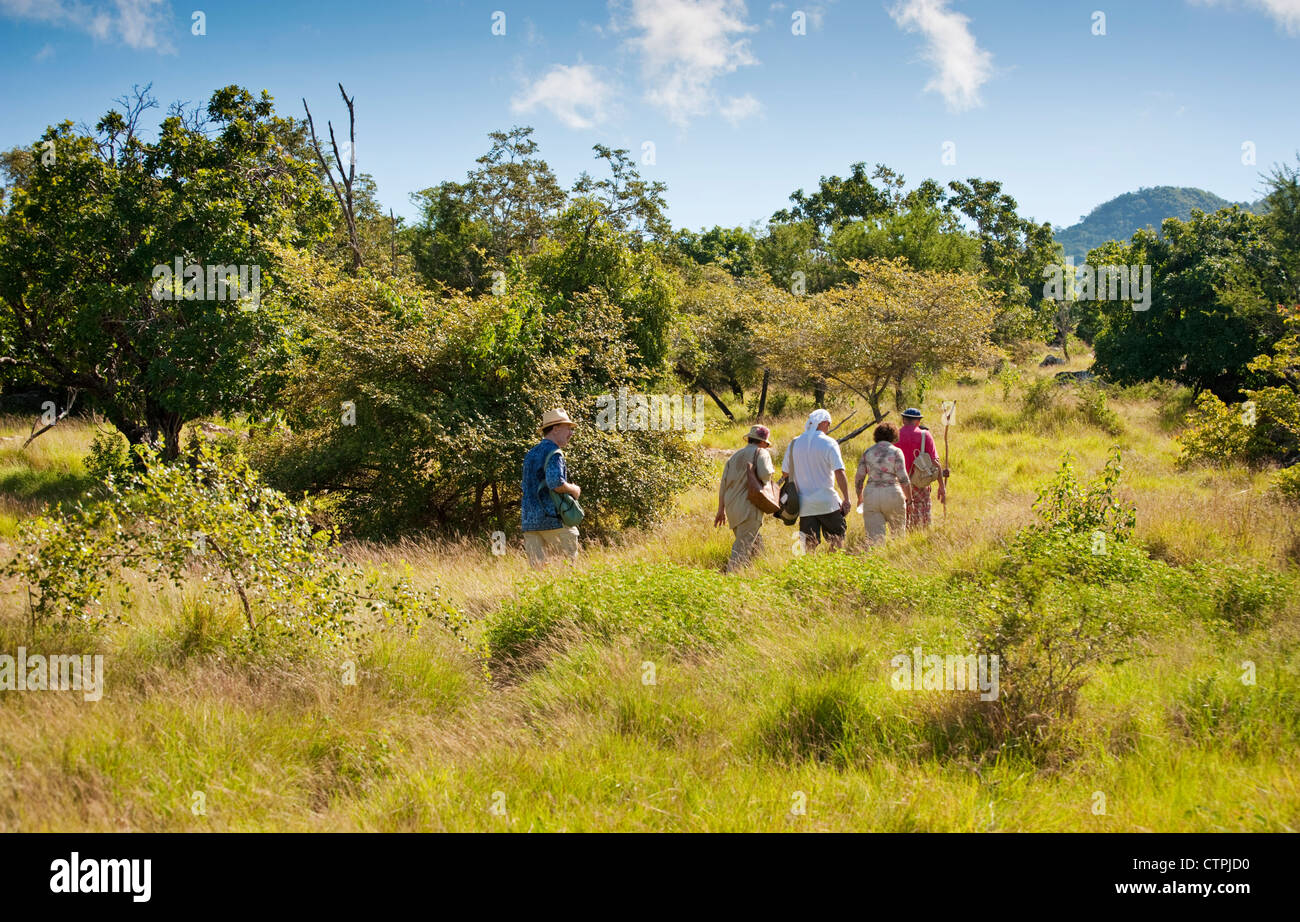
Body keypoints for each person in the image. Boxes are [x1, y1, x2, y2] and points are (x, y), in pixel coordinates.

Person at [781, 408, 850, 551]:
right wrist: (846, 498)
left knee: (809, 545)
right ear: (823, 423)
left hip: (805, 505)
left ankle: (811, 570)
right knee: (837, 538)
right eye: (828, 424)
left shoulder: (794, 443)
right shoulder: (829, 443)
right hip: (827, 502)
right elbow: (839, 472)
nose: (828, 428)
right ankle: (832, 567)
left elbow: (785, 472)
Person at [521, 408, 582, 568]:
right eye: (568, 428)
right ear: (555, 428)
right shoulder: (554, 453)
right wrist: (573, 489)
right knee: (566, 573)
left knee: (539, 575)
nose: (571, 433)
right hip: (554, 521)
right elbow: (556, 483)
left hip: (530, 524)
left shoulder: (531, 454)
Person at [714, 425, 776, 571]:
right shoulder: (762, 453)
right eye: (766, 444)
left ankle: (760, 572)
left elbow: (723, 484)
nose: (766, 447)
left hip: (732, 508)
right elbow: (765, 474)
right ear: (762, 442)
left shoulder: (734, 456)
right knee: (741, 548)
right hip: (749, 506)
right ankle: (731, 579)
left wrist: (721, 510)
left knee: (755, 545)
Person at [854, 422, 913, 546]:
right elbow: (903, 478)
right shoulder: (896, 452)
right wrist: (909, 499)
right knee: (898, 537)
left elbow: (859, 478)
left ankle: (875, 561)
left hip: (871, 494)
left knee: (874, 540)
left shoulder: (868, 452)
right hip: (892, 493)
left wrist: (860, 497)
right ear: (894, 436)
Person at [897, 408, 945, 529]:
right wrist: (941, 486)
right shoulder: (925, 435)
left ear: (903, 420)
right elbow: (935, 463)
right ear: (918, 421)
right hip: (921, 483)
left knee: (902, 518)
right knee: (922, 521)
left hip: (899, 484)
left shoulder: (895, 436)